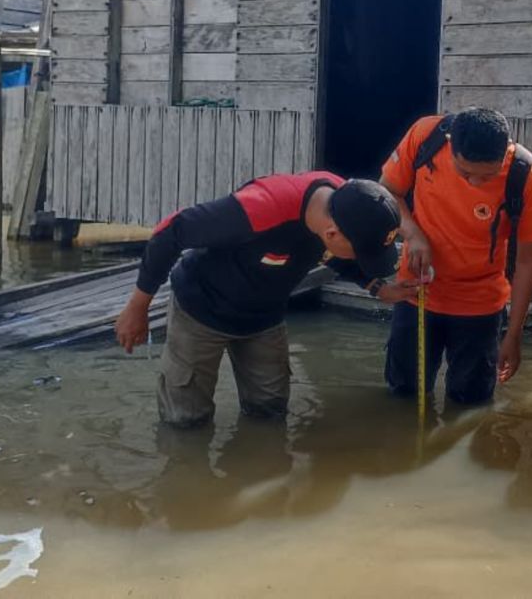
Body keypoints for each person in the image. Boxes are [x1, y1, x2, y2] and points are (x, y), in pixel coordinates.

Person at [115, 172, 413, 427]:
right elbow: (170, 232)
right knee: (185, 420)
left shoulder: (348, 203)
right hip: (202, 308)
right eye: (363, 253)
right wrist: (138, 306)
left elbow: (336, 255)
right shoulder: (260, 208)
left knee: (269, 412)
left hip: (264, 316)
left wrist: (377, 287)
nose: (363, 260)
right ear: (332, 233)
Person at [378, 107, 532, 404]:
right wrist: (413, 234)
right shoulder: (425, 136)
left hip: (480, 305)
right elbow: (388, 190)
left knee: (471, 405)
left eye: (488, 175)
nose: (476, 184)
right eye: (465, 172)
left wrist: (514, 334)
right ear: (449, 143)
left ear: (505, 152)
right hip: (417, 292)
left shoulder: (526, 178)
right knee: (403, 395)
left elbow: (526, 261)